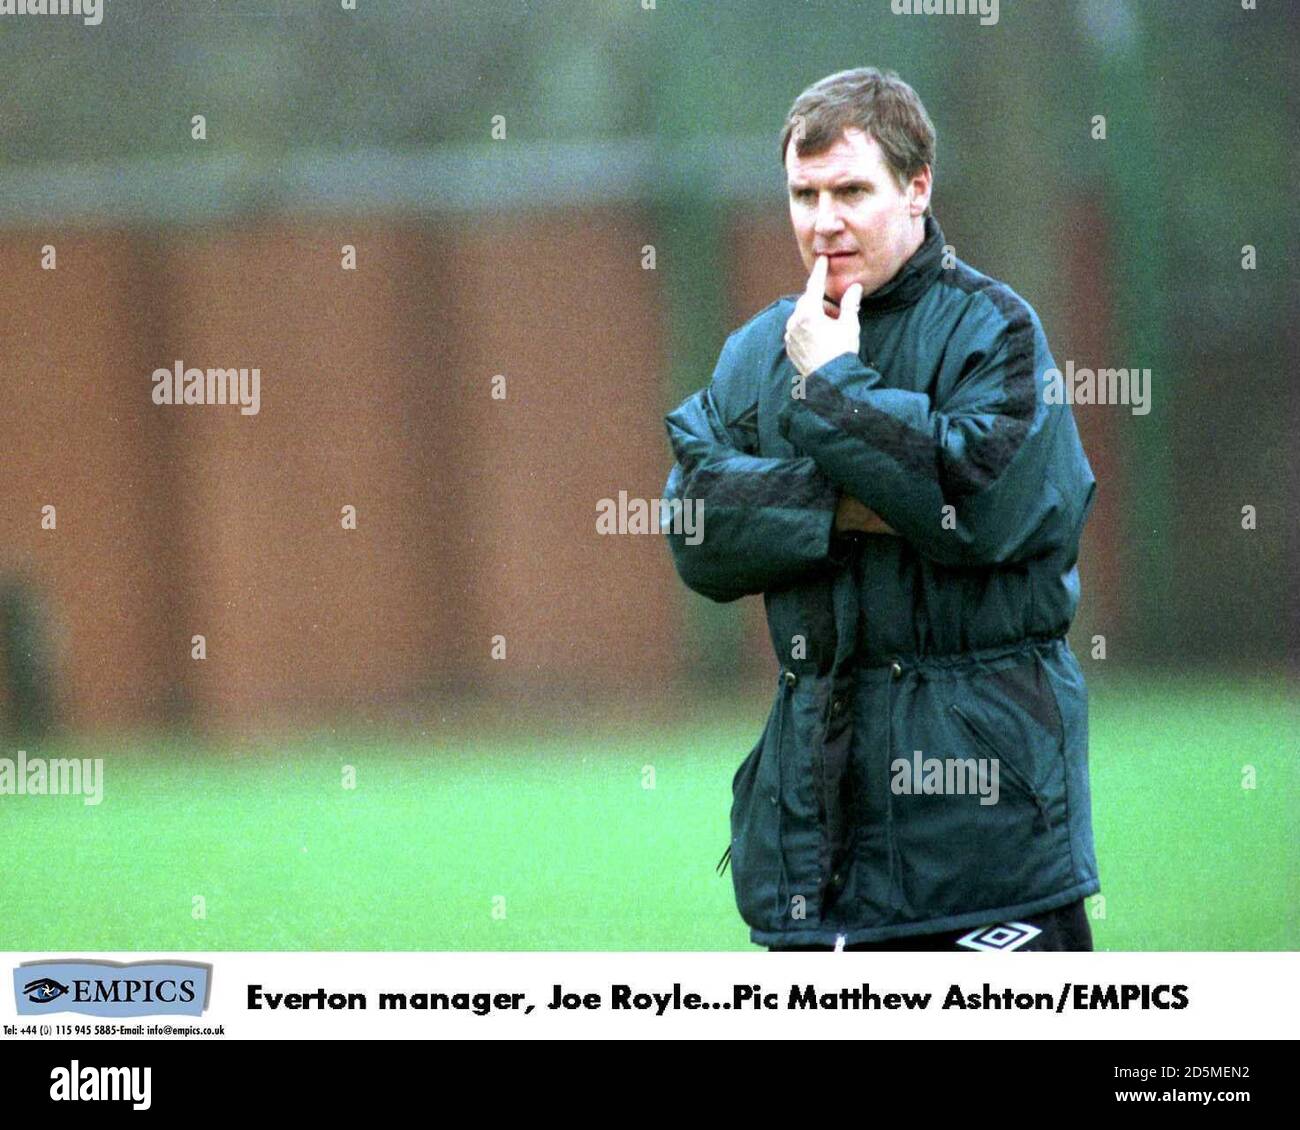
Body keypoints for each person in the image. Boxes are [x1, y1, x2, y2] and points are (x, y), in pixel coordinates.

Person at [661, 67, 1100, 951]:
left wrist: (830, 387)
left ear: (917, 186)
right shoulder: (754, 352)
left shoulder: (997, 332)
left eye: (852, 190)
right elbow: (696, 529)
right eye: (804, 193)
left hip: (986, 853)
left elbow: (975, 506)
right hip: (807, 861)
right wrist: (855, 500)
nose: (824, 221)